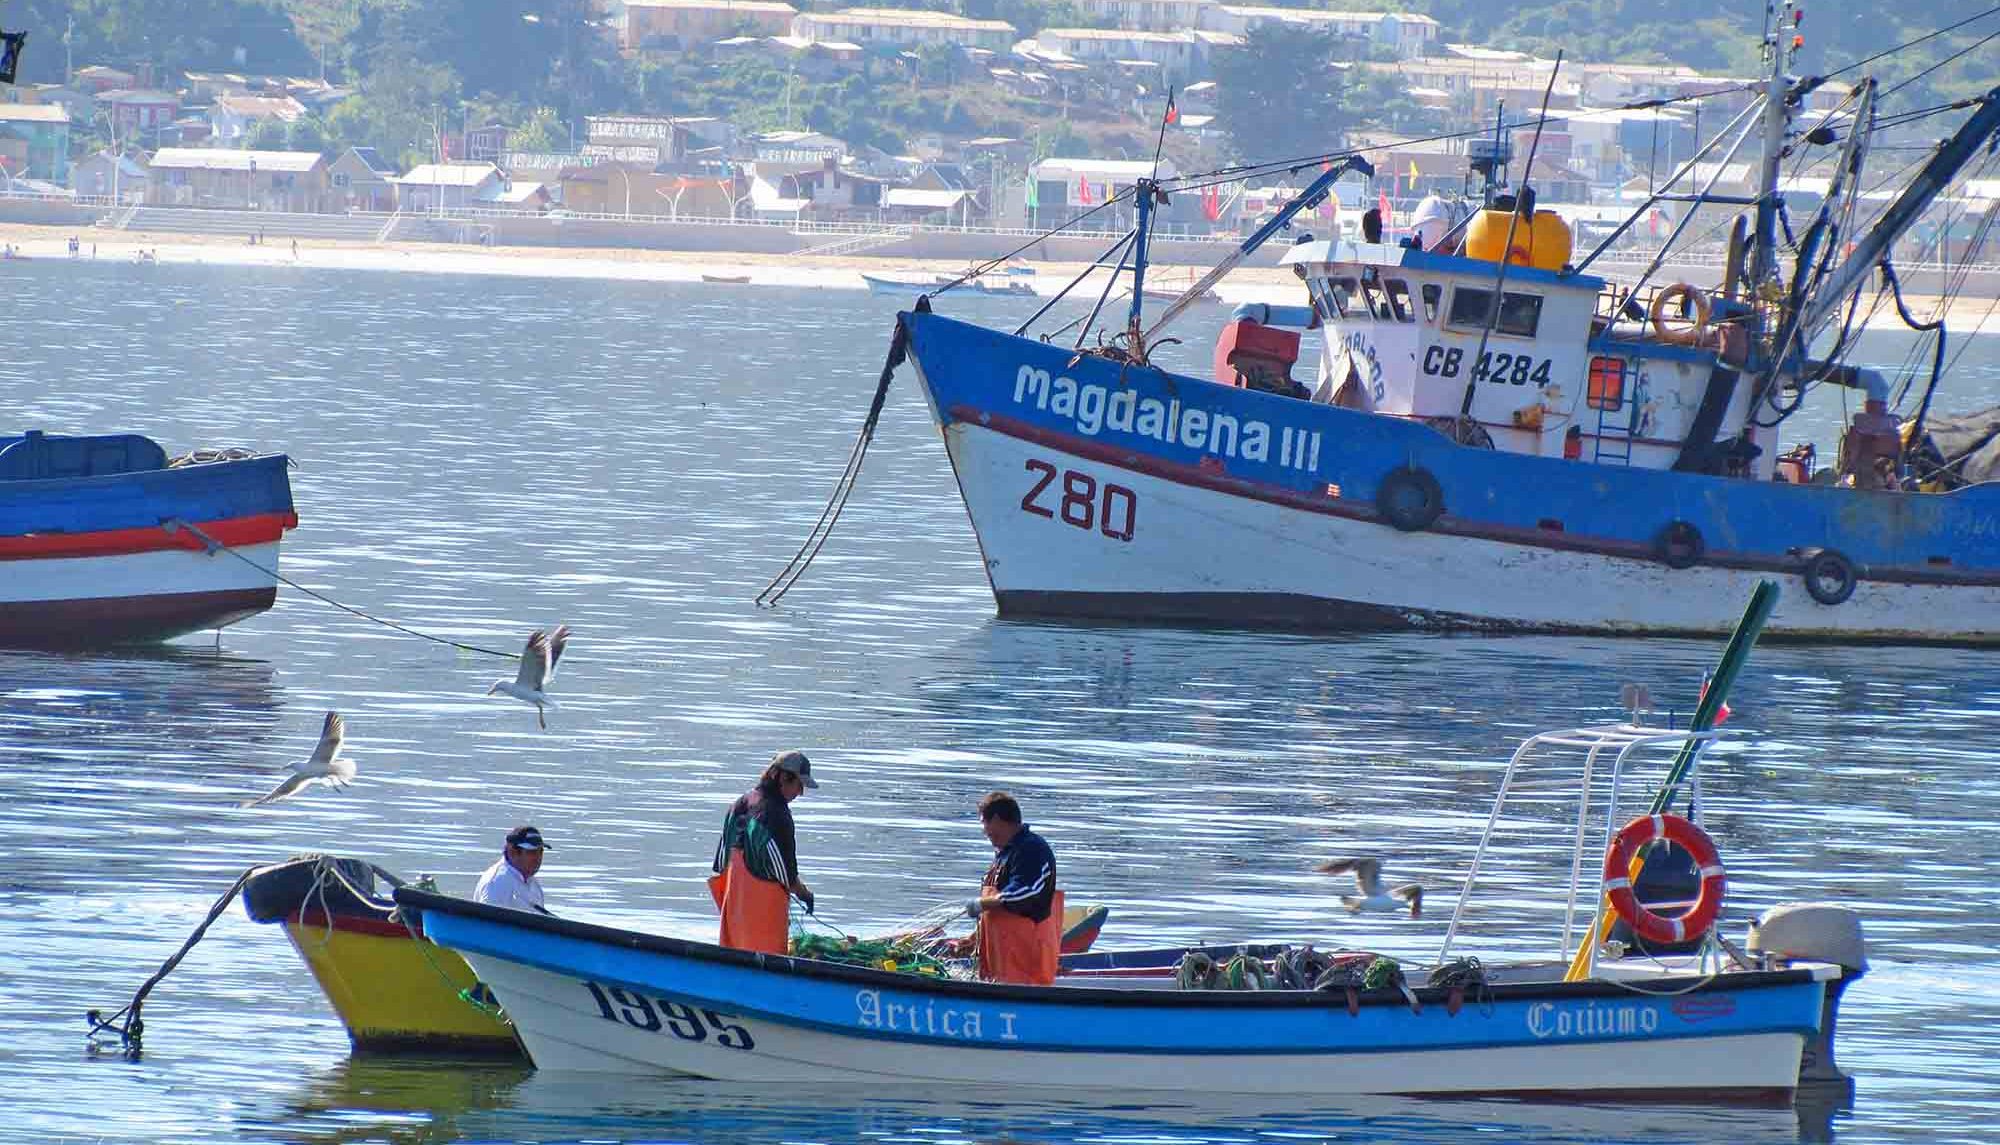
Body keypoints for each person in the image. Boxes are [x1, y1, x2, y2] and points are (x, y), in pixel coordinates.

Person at [709, 750, 816, 954]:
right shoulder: (777, 815)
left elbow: (720, 866)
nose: (801, 793)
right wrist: (805, 894)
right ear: (783, 777)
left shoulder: (738, 805)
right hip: (762, 923)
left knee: (734, 961)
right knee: (769, 963)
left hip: (734, 916)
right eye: (799, 785)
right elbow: (788, 876)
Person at [964, 791, 1061, 985]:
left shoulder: (1031, 849)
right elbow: (996, 911)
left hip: (1025, 963)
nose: (984, 830)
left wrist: (981, 903)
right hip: (1001, 964)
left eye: (984, 822)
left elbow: (1026, 892)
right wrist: (974, 939)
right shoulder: (1004, 853)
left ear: (998, 819)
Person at [473, 825, 552, 913]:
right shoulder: (497, 882)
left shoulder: (534, 884)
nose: (538, 858)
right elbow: (487, 923)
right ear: (513, 852)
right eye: (532, 852)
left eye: (540, 852)